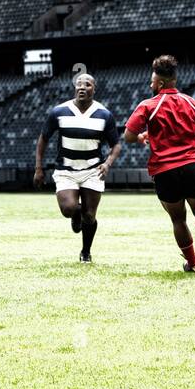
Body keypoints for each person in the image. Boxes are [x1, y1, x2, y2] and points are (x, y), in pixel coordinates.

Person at [123, 54, 195, 274]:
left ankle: (193, 263)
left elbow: (128, 135)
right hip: (190, 166)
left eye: (152, 81)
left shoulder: (148, 105)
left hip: (164, 171)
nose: (150, 84)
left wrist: (140, 137)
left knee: (178, 220)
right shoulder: (190, 102)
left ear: (160, 83)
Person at [33, 71, 121, 262]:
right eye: (79, 84)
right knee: (69, 209)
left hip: (93, 170)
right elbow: (43, 140)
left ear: (94, 89)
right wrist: (38, 168)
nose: (82, 87)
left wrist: (107, 163)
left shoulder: (104, 114)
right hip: (66, 171)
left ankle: (86, 252)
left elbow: (116, 145)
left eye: (87, 84)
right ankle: (75, 216)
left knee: (90, 216)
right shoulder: (59, 111)